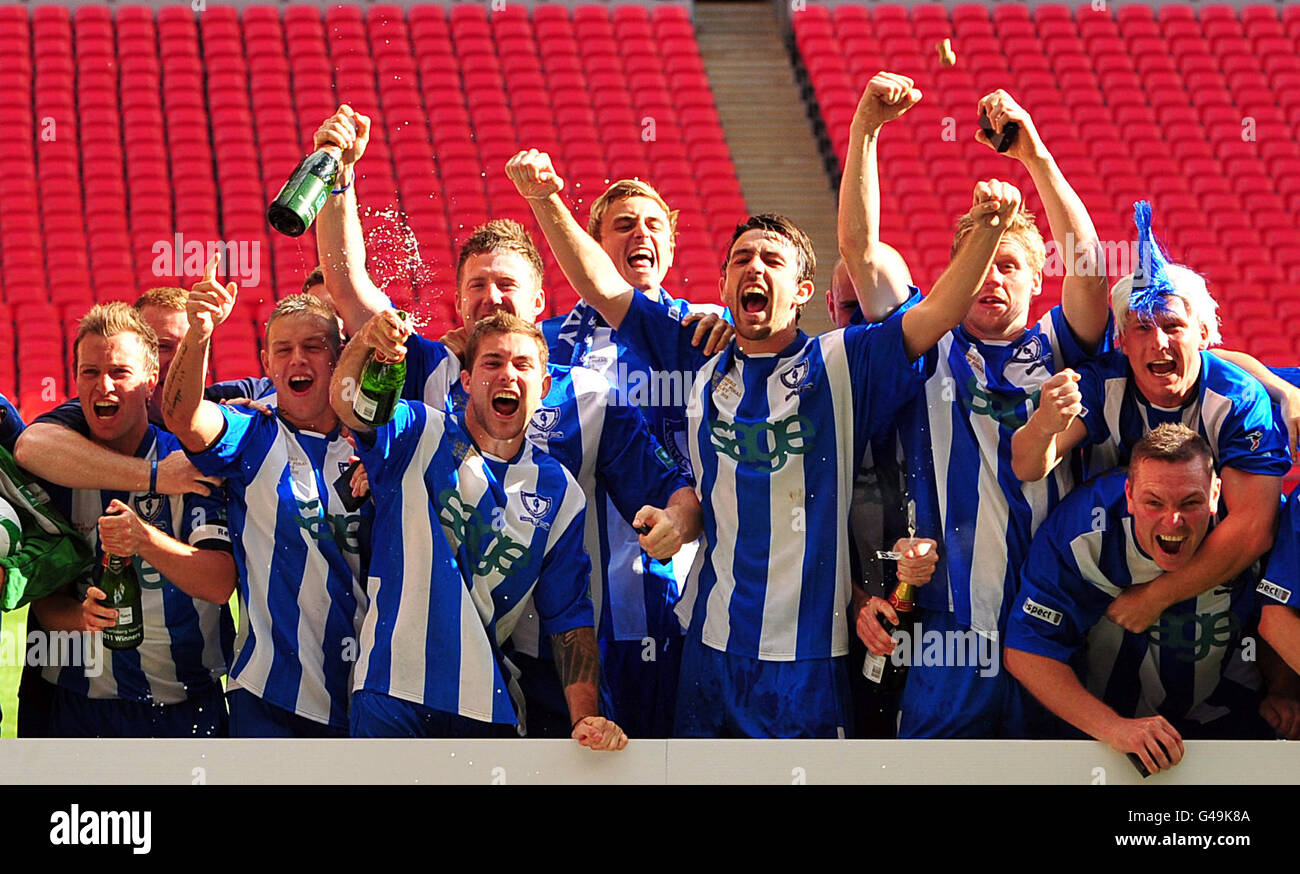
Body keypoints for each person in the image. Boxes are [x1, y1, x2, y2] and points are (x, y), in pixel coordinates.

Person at [512, 140, 1023, 735]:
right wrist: (546, 197)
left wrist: (988, 231)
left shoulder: (844, 364)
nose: (753, 267)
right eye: (740, 259)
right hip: (710, 647)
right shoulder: (699, 352)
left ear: (804, 292)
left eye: (772, 261)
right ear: (723, 286)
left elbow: (934, 314)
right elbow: (605, 289)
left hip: (810, 659)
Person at [315, 108, 703, 736]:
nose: (491, 299)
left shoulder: (589, 394)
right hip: (431, 646)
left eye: (506, 286)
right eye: (476, 287)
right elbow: (346, 282)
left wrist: (676, 524)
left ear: (540, 301)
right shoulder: (432, 368)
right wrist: (340, 177)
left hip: (556, 643)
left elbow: (670, 491)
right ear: (457, 301)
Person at [846, 79, 1113, 738]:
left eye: (1010, 265)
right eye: (982, 261)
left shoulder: (1059, 346)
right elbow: (860, 253)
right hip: (946, 632)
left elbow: (1091, 268)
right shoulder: (922, 342)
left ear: (1035, 279)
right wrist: (867, 130)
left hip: (1052, 628)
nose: (993, 276)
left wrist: (1034, 156)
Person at [328, 311, 626, 748]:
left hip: (488, 704)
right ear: (465, 381)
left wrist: (586, 717)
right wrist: (365, 341)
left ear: (543, 389)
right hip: (392, 691)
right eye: (492, 363)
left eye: (523, 365)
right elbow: (350, 403)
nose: (507, 374)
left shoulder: (562, 492)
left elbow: (569, 620)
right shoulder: (418, 432)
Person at [1010, 202, 1289, 636]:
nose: (1157, 342)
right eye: (1141, 328)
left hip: (1216, 577)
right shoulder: (1103, 385)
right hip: (1110, 568)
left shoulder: (1237, 399)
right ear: (1121, 341)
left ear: (1203, 334)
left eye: (1172, 326)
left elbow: (1254, 530)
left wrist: (1157, 597)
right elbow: (1027, 466)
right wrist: (1044, 425)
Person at [1005, 425, 1300, 774]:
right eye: (1153, 502)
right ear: (1129, 494)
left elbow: (1274, 614)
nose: (1172, 522)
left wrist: (1283, 689)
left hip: (1233, 730)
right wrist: (1114, 729)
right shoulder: (1083, 529)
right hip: (1110, 744)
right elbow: (1027, 650)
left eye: (1191, 502)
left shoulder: (1258, 526)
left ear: (1216, 493)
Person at [162, 257, 371, 737]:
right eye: (284, 349)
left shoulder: (383, 438)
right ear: (266, 363)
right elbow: (182, 418)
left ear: (339, 358)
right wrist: (199, 335)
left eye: (313, 347)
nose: (297, 359)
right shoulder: (252, 433)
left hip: (373, 689)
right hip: (271, 697)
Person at [28, 302, 235, 737]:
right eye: (90, 372)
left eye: (120, 372)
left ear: (150, 382)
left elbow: (219, 583)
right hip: (79, 708)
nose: (104, 386)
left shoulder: (188, 460)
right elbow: (47, 603)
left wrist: (144, 540)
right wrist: (80, 619)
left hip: (184, 704)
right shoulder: (60, 466)